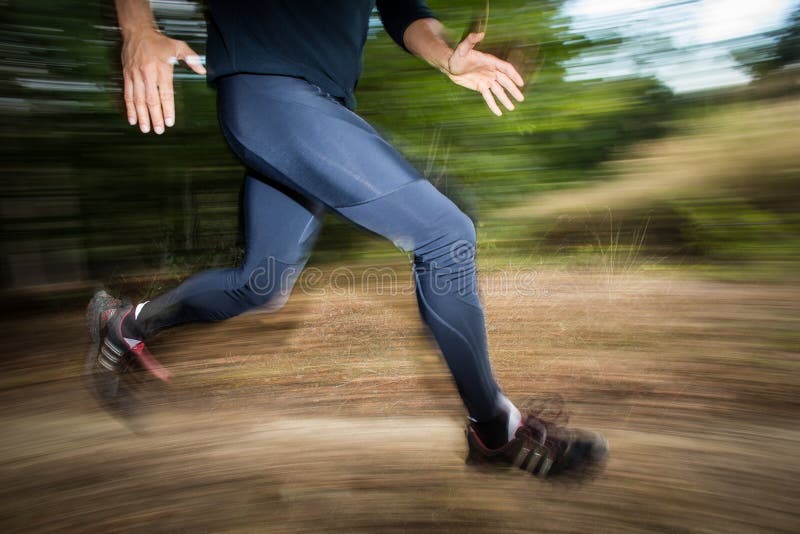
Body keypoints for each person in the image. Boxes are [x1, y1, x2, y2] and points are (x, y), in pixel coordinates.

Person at [87, 0, 607, 479]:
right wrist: (137, 26)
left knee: (260, 286)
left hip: (320, 107)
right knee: (445, 234)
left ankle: (125, 323)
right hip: (269, 92)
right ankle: (496, 430)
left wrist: (450, 57)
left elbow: (406, 13)